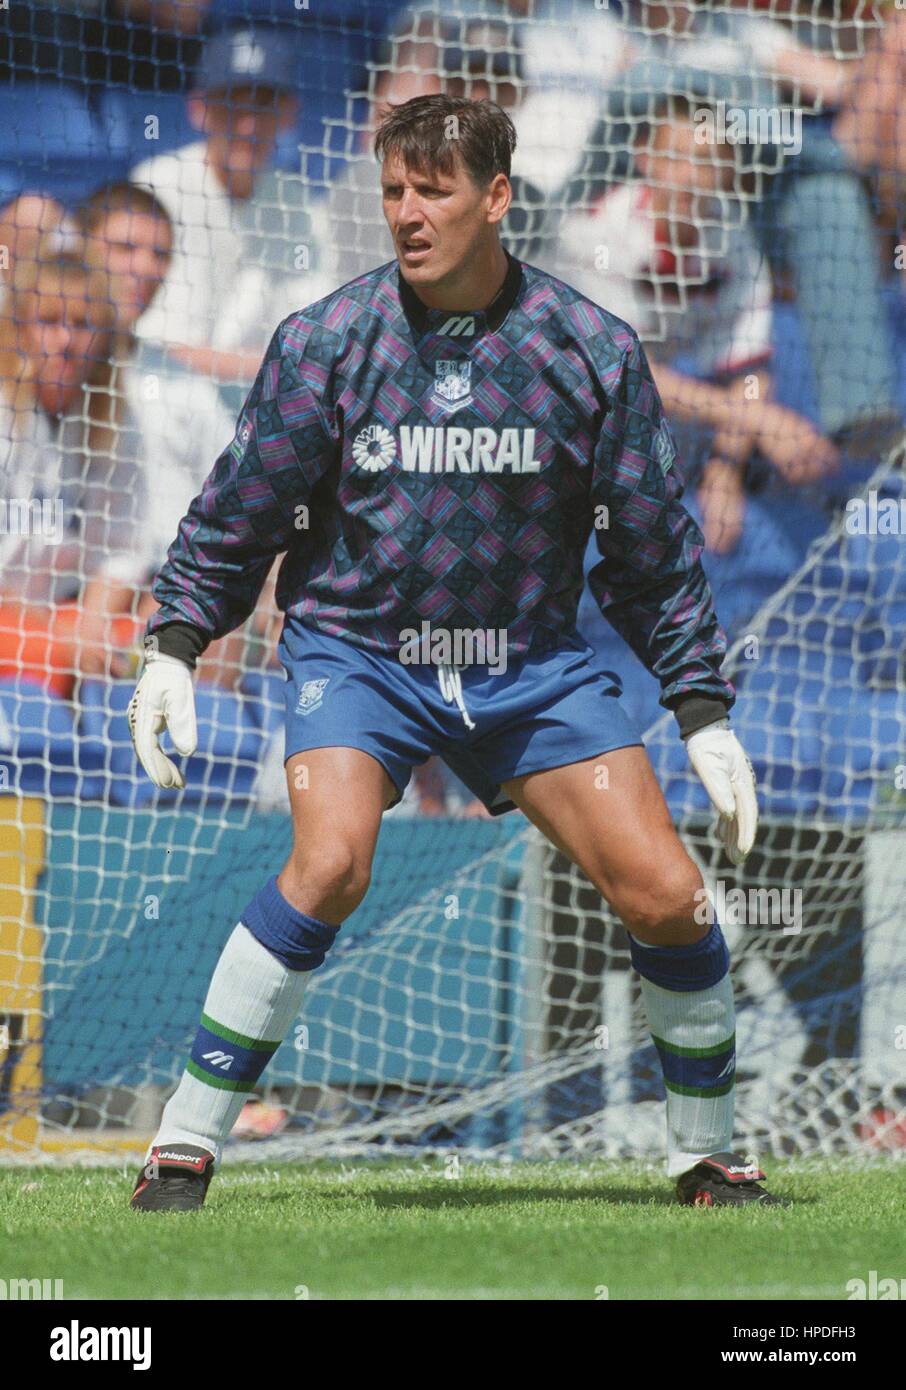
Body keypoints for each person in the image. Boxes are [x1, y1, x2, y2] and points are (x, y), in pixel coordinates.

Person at [127, 94, 780, 1214]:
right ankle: (181, 1145)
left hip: (531, 667)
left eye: (434, 190)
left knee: (673, 896)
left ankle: (709, 1158)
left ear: (497, 197)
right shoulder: (326, 340)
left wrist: (701, 706)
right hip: (362, 655)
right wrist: (176, 642)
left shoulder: (593, 350)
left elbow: (652, 552)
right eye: (392, 192)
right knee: (329, 863)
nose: (408, 214)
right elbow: (243, 509)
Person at [553, 95, 839, 555]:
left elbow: (746, 367)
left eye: (706, 162)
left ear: (727, 173)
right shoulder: (598, 234)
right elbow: (625, 376)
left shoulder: (732, 237)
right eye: (676, 156)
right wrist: (759, 419)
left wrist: (725, 472)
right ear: (644, 157)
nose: (690, 176)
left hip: (666, 410)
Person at [128, 24, 306, 387]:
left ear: (289, 113)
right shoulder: (158, 184)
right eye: (233, 105)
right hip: (163, 391)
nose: (248, 126)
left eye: (263, 105)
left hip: (264, 403)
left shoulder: (296, 200)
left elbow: (317, 337)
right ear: (199, 109)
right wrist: (275, 368)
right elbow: (163, 346)